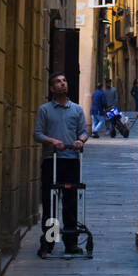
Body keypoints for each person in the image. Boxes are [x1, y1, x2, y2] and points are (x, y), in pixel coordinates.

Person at [34, 73, 88, 256]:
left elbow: (83, 132)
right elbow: (38, 134)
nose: (62, 84)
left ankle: (71, 242)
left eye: (64, 80)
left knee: (70, 201)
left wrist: (80, 141)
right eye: (58, 82)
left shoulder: (77, 110)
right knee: (51, 202)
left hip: (71, 160)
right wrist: (52, 141)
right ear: (51, 89)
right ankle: (49, 242)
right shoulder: (45, 110)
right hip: (52, 160)